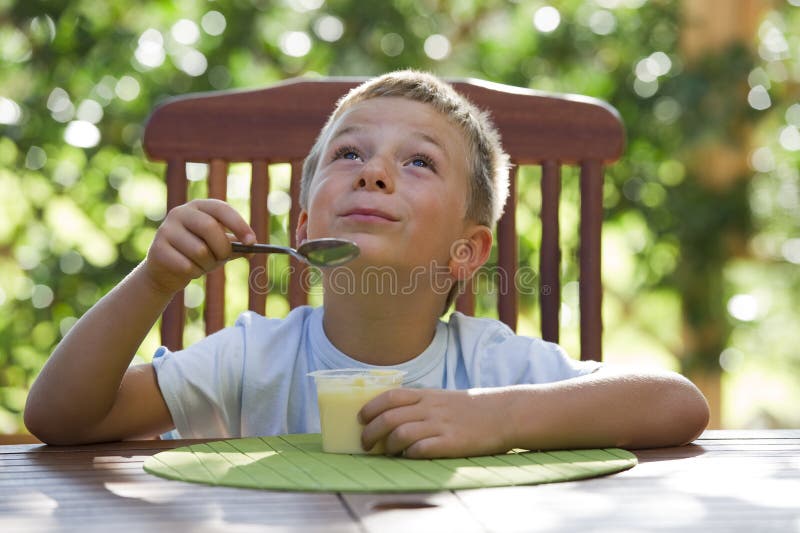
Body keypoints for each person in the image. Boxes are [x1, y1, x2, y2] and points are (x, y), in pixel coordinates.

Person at [24, 70, 709, 457]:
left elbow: (677, 402)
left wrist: (494, 418)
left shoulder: (490, 367)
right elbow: (61, 417)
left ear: (466, 253)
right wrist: (153, 282)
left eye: (419, 162)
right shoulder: (251, 359)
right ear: (305, 229)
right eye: (348, 153)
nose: (373, 172)